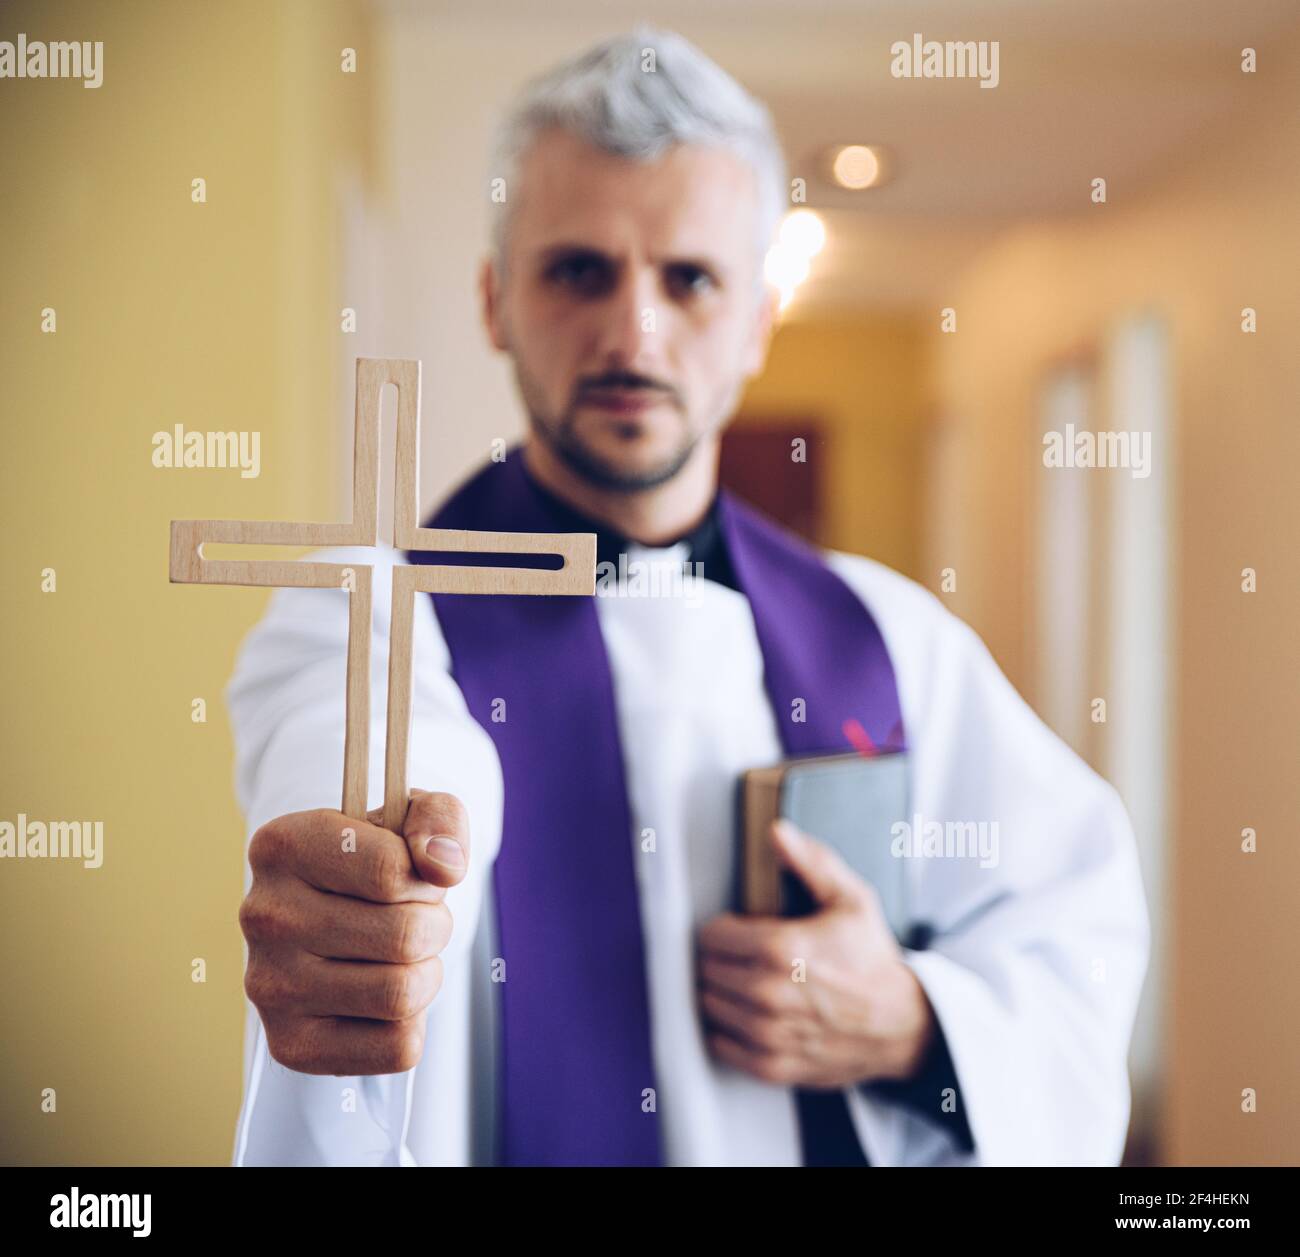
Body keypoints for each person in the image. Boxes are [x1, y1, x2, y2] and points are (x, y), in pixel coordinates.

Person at [227, 26, 1150, 1167]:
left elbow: (1074, 925)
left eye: (689, 278)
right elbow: (374, 757)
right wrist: (360, 898)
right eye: (578, 270)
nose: (633, 332)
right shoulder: (376, 615)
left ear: (760, 320)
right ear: (493, 302)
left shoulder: (891, 637)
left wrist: (911, 1025)